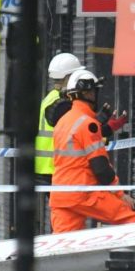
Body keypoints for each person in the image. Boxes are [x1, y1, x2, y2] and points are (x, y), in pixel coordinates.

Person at [50, 69, 135, 233]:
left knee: (63, 246)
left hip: (60, 195)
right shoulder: (87, 124)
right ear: (88, 93)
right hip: (83, 194)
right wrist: (121, 195)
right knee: (133, 219)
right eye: (94, 91)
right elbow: (101, 167)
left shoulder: (63, 122)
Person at [36, 53, 86, 185]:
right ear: (68, 77)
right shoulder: (61, 104)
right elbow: (78, 130)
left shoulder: (51, 97)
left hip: (47, 167)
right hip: (55, 167)